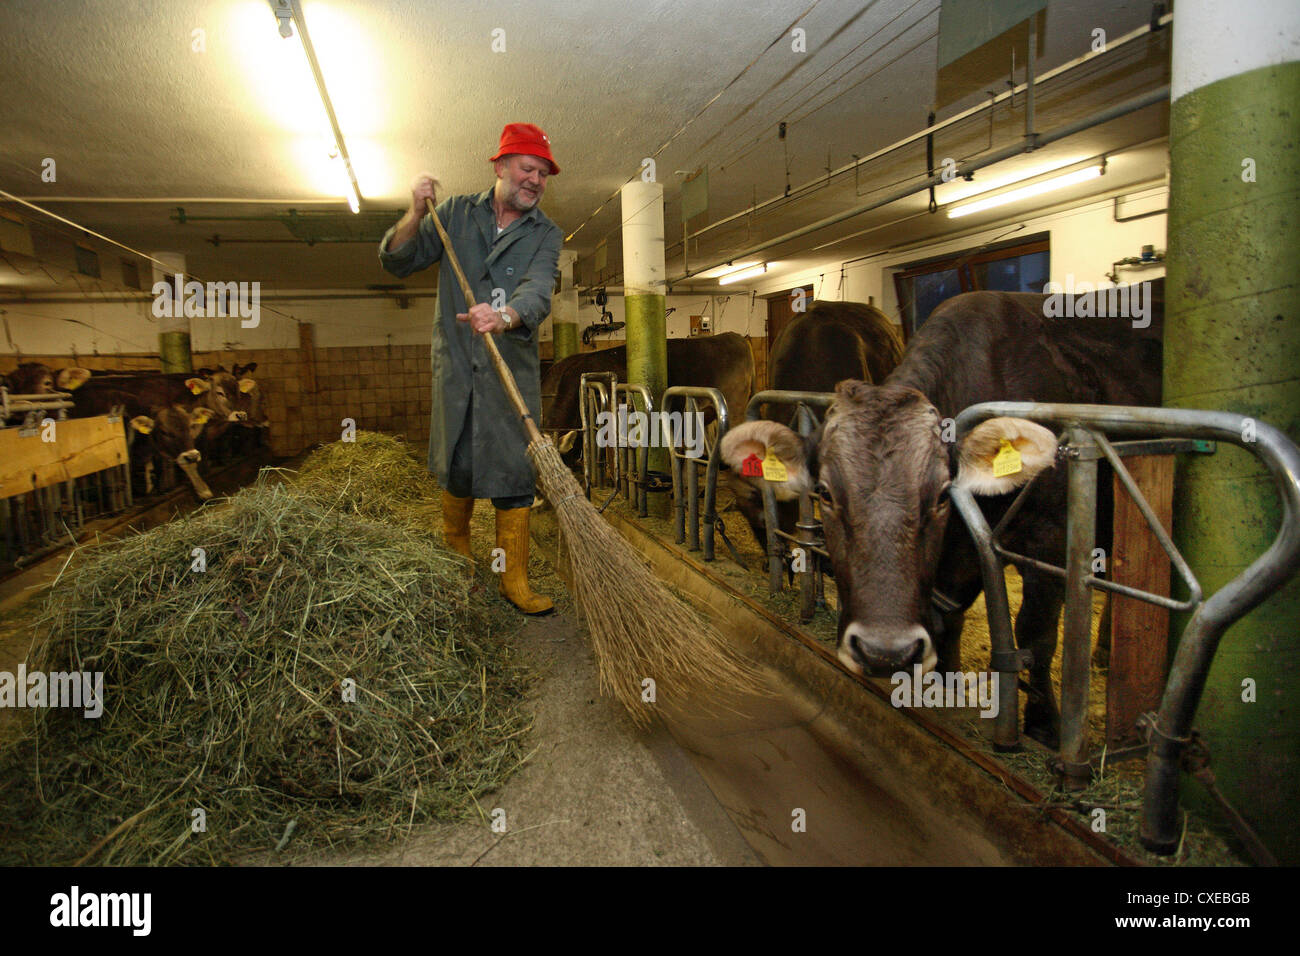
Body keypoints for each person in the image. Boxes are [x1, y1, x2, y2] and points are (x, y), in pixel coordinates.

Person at [379, 122, 562, 614]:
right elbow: (398, 260)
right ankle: (457, 563)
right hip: (459, 371)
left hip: (511, 375)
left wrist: (503, 315)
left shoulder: (546, 233)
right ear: (500, 167)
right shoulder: (454, 214)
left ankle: (513, 579)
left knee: (513, 476)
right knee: (458, 469)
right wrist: (415, 211)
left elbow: (539, 291)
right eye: (528, 169)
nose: (536, 181)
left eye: (543, 174)